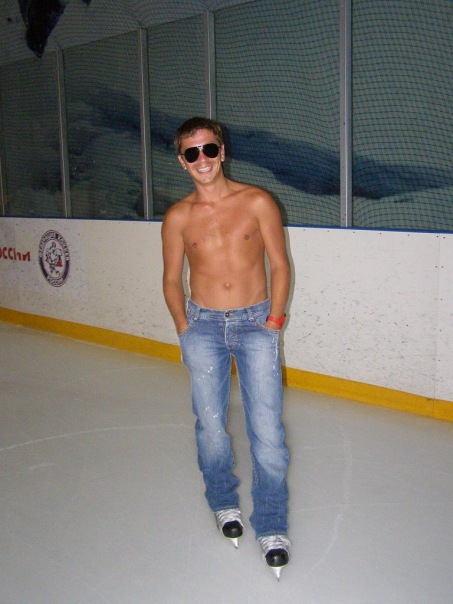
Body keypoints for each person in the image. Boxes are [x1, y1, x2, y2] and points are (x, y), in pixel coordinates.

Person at [161, 117, 291, 579]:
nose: (202, 160)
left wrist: (273, 322)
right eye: (192, 153)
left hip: (257, 326)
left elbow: (280, 264)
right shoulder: (178, 217)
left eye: (209, 149)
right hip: (203, 328)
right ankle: (223, 502)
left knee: (267, 431)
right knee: (211, 427)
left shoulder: (257, 201)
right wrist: (184, 327)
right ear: (182, 161)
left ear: (222, 151)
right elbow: (171, 278)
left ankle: (271, 525)